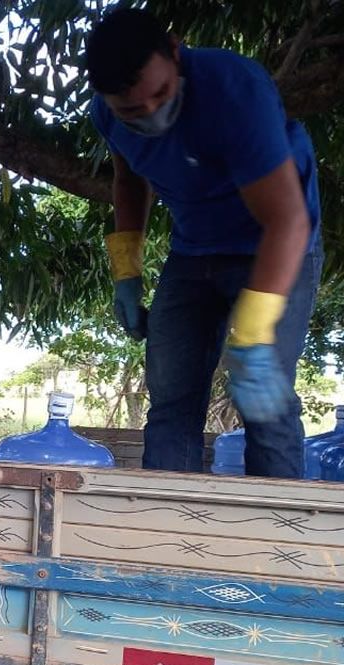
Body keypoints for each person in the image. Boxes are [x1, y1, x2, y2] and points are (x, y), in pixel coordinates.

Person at [85, 8, 322, 478]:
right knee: (171, 400)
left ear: (175, 53)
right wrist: (126, 270)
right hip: (193, 252)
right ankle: (167, 540)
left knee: (265, 404)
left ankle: (273, 541)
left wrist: (254, 334)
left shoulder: (235, 91)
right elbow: (129, 181)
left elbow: (288, 221)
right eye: (133, 109)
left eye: (161, 93)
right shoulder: (106, 115)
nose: (152, 113)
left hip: (273, 247)